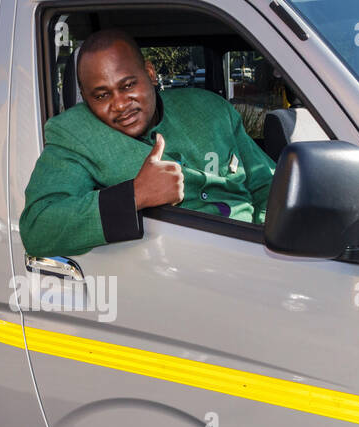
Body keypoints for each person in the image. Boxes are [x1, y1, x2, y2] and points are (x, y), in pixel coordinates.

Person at [19, 29, 276, 258]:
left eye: (128, 85)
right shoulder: (75, 134)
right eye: (101, 95)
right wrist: (135, 195)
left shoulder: (211, 109)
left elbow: (268, 183)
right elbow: (38, 228)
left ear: (150, 73)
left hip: (254, 256)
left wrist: (264, 238)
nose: (120, 104)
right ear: (86, 98)